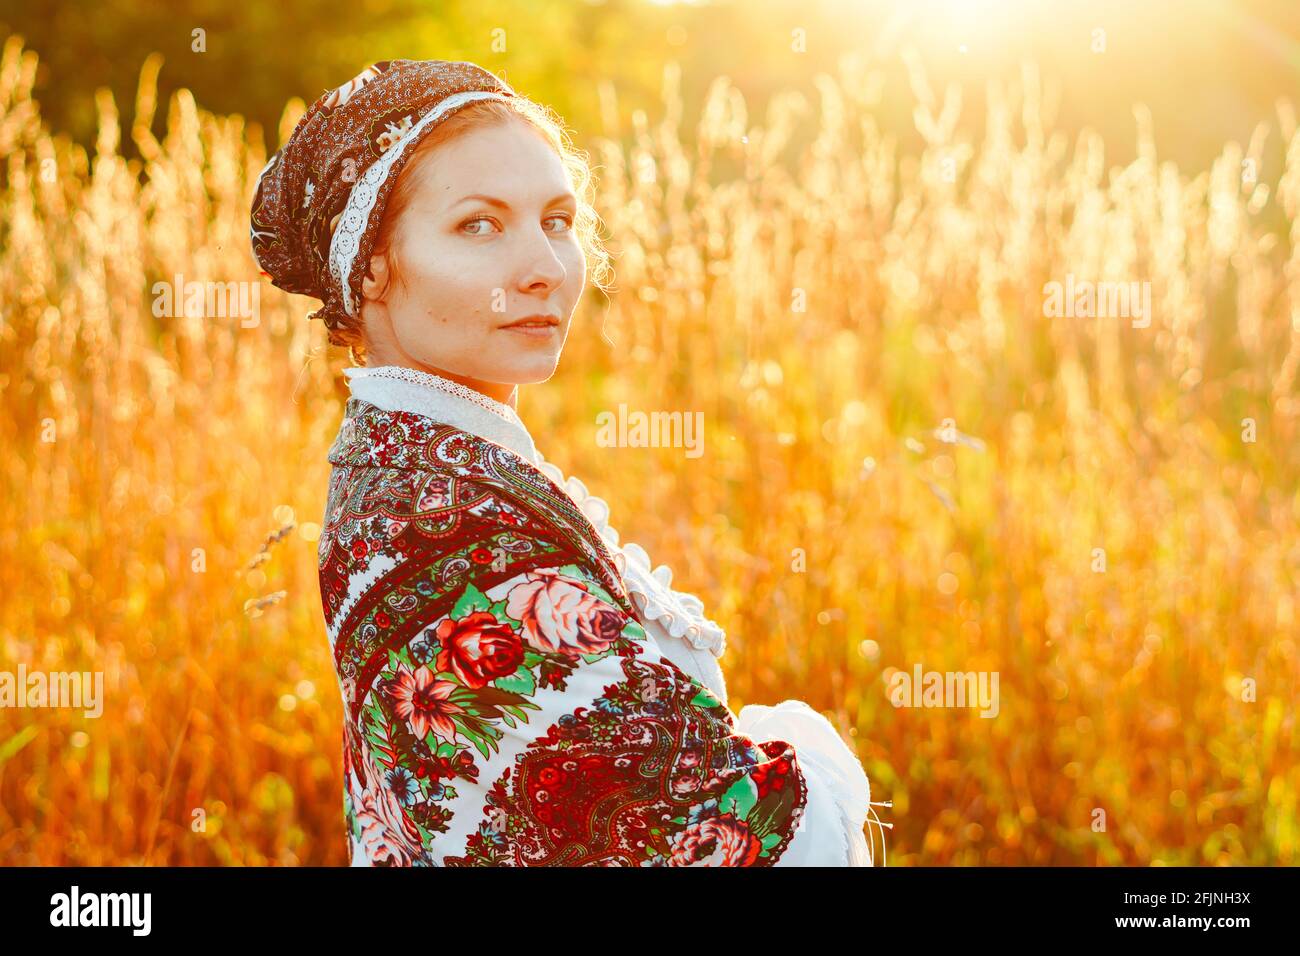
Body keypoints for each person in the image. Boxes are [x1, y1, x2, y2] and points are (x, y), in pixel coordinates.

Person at [251, 59, 884, 866]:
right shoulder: (442, 527)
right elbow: (745, 840)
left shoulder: (434, 461)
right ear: (369, 267)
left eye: (557, 219)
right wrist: (810, 742)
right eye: (478, 225)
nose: (544, 266)